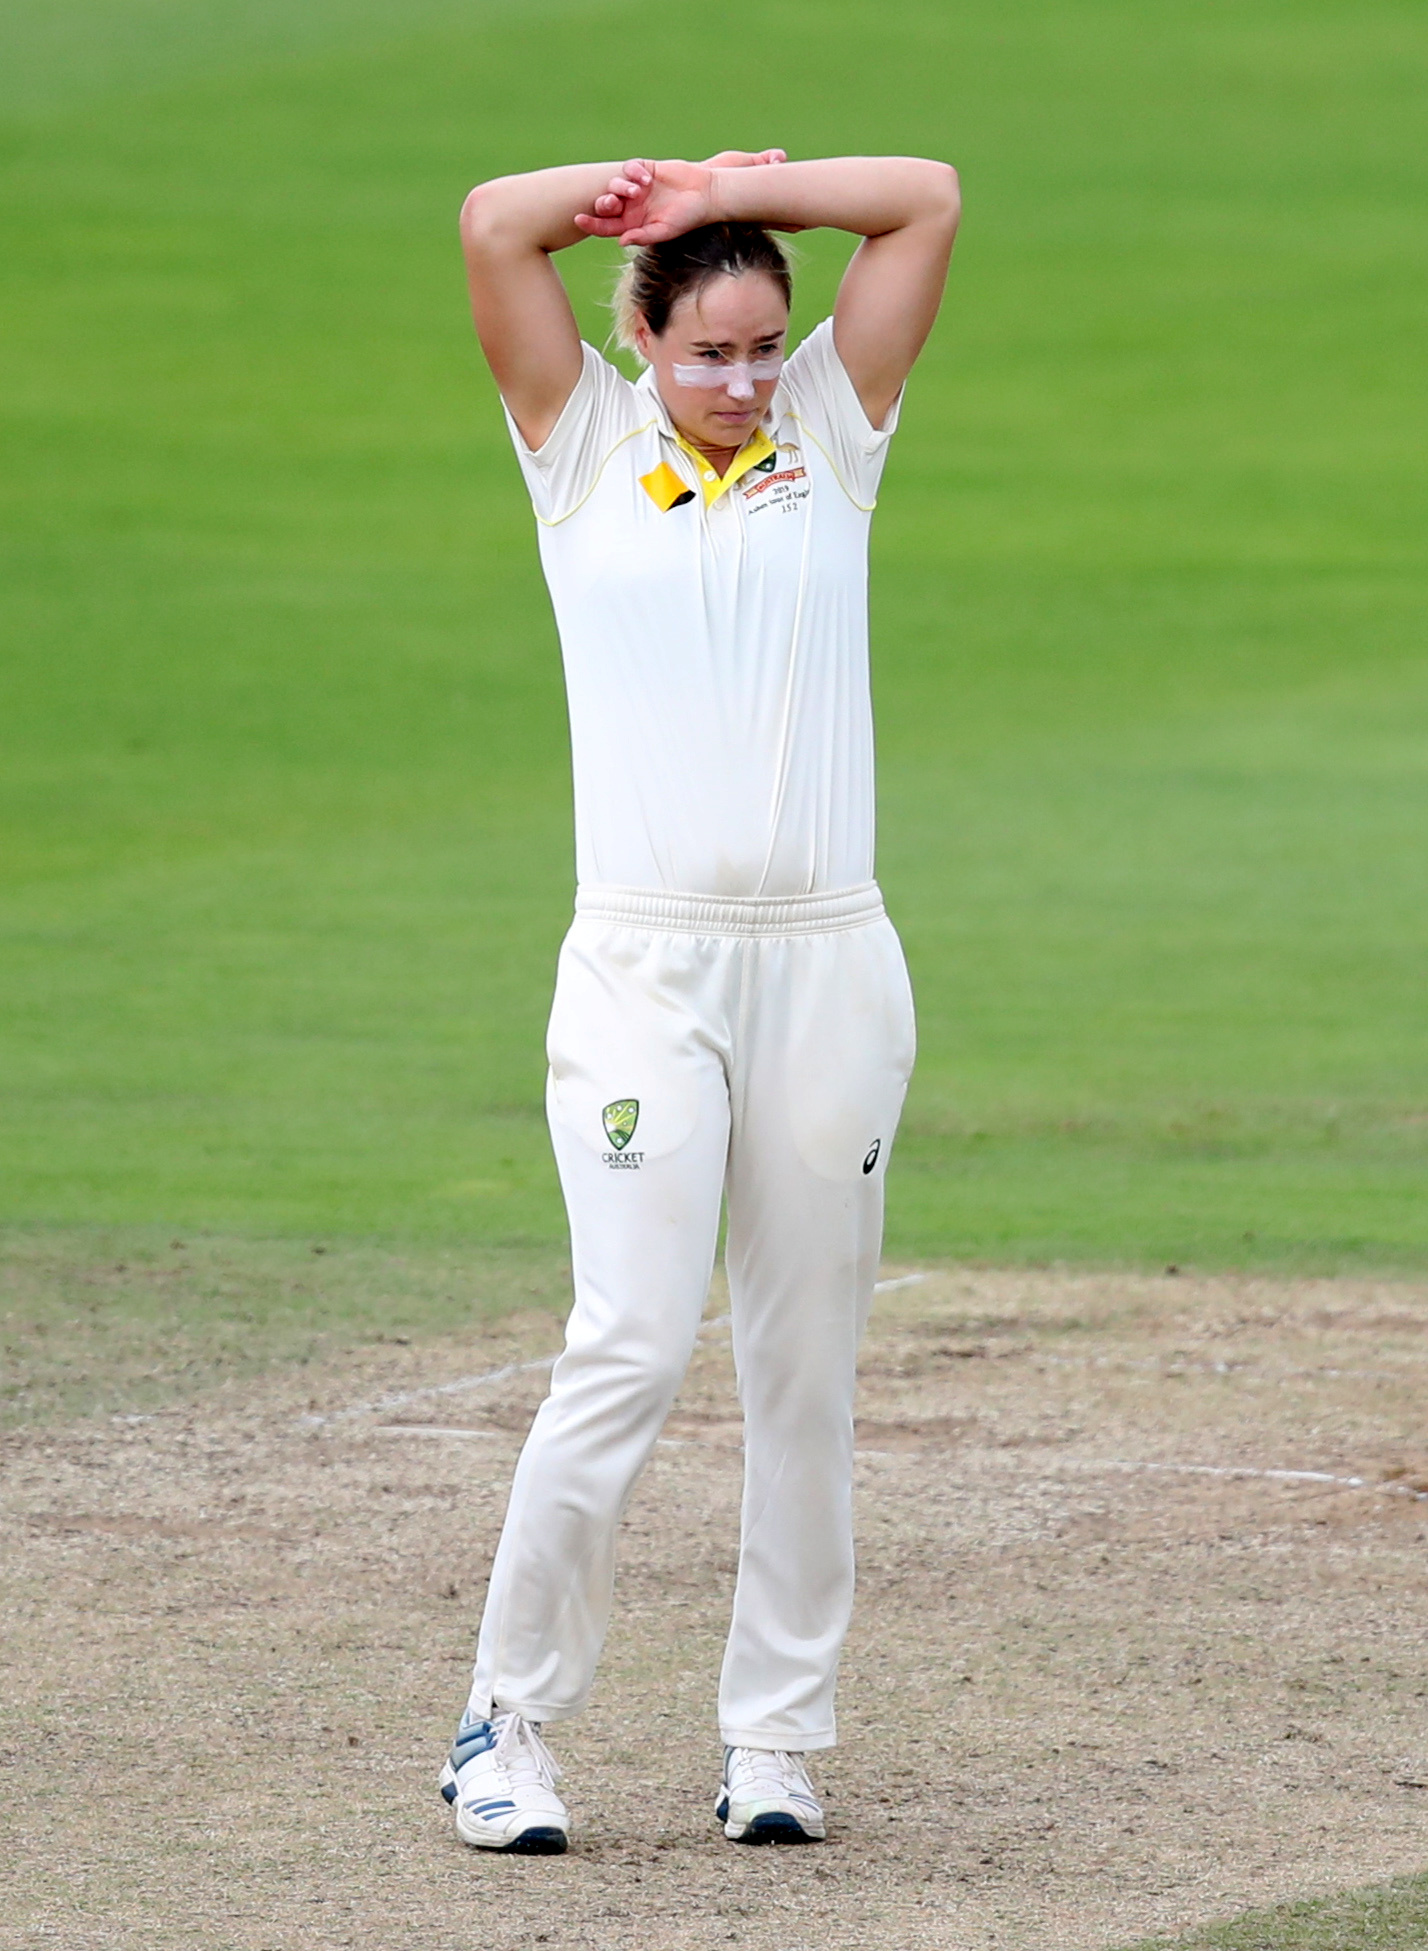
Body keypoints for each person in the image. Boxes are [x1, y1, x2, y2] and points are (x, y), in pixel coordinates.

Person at [439, 150, 959, 1853]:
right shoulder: (578, 440)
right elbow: (491, 224)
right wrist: (641, 198)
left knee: (806, 1369)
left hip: (830, 961)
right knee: (634, 1341)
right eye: (705, 352)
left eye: (761, 349)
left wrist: (777, 190)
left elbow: (930, 198)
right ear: (642, 339)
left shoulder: (832, 431)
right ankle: (505, 1725)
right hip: (645, 969)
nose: (738, 386)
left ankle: (778, 1742)